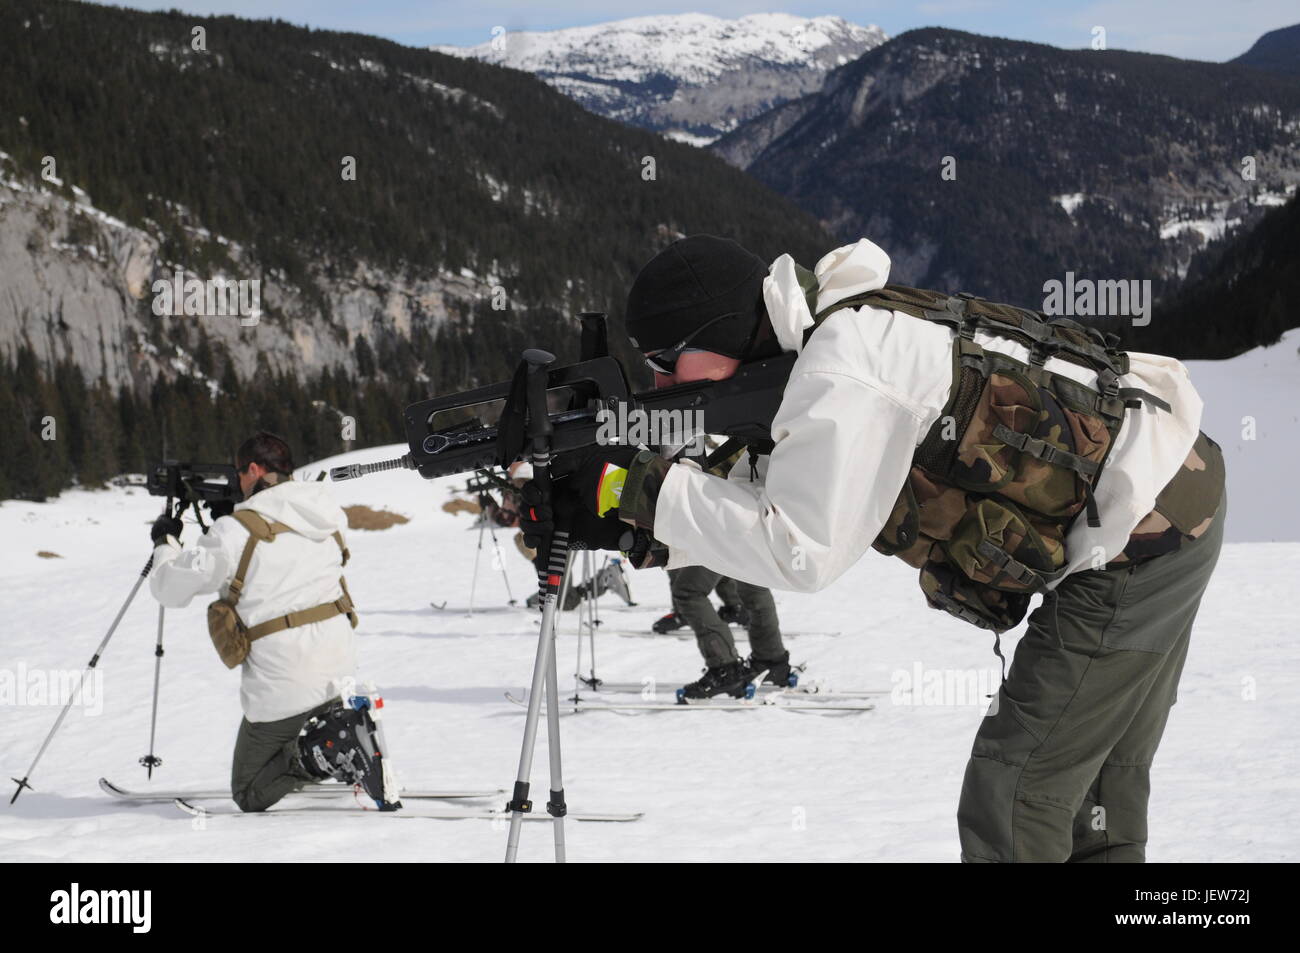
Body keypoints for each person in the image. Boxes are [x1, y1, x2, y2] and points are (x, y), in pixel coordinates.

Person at [522, 234, 1226, 862]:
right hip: (1169, 486)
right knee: (1098, 780)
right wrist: (642, 529)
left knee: (1018, 786)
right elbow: (781, 483)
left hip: (1143, 531)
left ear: (723, 330)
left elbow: (801, 549)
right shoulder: (829, 328)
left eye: (667, 361)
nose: (660, 386)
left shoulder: (843, 366)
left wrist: (632, 490)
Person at [148, 432, 385, 811]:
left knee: (249, 790)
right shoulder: (325, 517)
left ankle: (329, 749)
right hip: (338, 670)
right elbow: (279, 551)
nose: (238, 485)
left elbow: (169, 589)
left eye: (240, 475)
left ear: (255, 470)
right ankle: (337, 735)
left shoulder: (234, 532)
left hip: (286, 684)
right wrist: (235, 518)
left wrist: (165, 543)